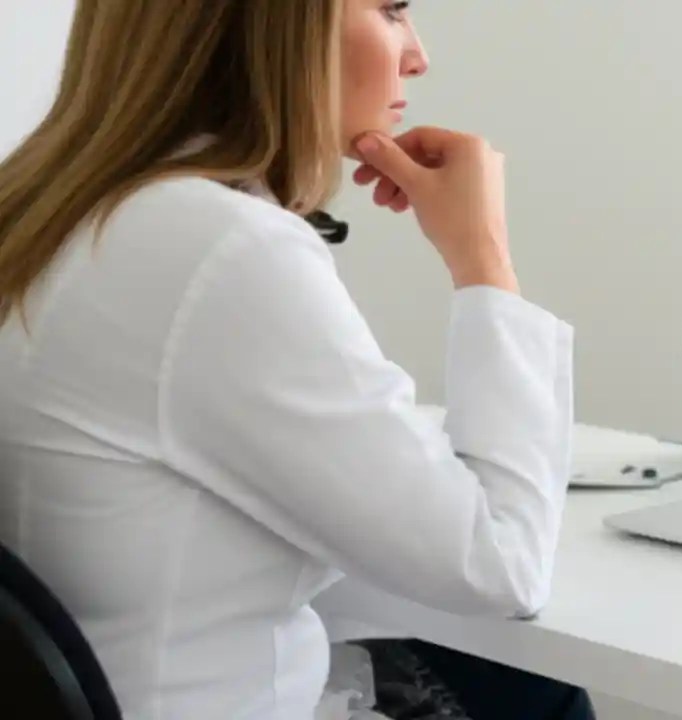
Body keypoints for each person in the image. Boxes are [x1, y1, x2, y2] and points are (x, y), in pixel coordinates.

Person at [0, 1, 592, 719]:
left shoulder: (46, 207)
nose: (417, 55)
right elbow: (501, 567)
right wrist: (484, 255)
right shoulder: (219, 250)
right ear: (280, 24)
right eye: (391, 10)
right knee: (540, 702)